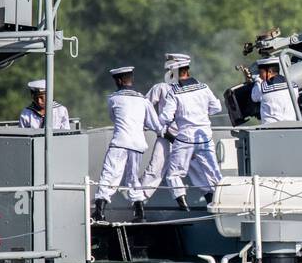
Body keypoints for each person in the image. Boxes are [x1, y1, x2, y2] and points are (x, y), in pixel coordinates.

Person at [93, 67, 162, 223]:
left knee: (110, 174)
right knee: (132, 178)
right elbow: (155, 124)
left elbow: (113, 117)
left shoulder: (113, 99)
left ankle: (99, 212)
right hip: (137, 144)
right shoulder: (143, 100)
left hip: (120, 142)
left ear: (118, 81)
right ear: (131, 80)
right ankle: (139, 212)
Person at [158, 56, 223, 212]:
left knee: (174, 174)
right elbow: (216, 108)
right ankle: (221, 201)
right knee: (213, 172)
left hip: (185, 138)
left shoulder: (174, 92)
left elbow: (166, 117)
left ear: (175, 71)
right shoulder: (204, 87)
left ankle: (183, 204)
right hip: (204, 136)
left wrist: (158, 119)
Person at [140, 52, 190, 200]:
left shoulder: (193, 88)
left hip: (187, 136)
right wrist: (151, 124)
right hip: (166, 136)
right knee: (155, 168)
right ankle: (139, 201)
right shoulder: (161, 88)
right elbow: (144, 106)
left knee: (196, 169)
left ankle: (209, 198)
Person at [249, 56, 301, 124]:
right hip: (291, 127)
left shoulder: (263, 88)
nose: (260, 76)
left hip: (271, 129)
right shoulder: (293, 86)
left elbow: (254, 97)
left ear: (270, 71)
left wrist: (257, 80)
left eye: (261, 73)